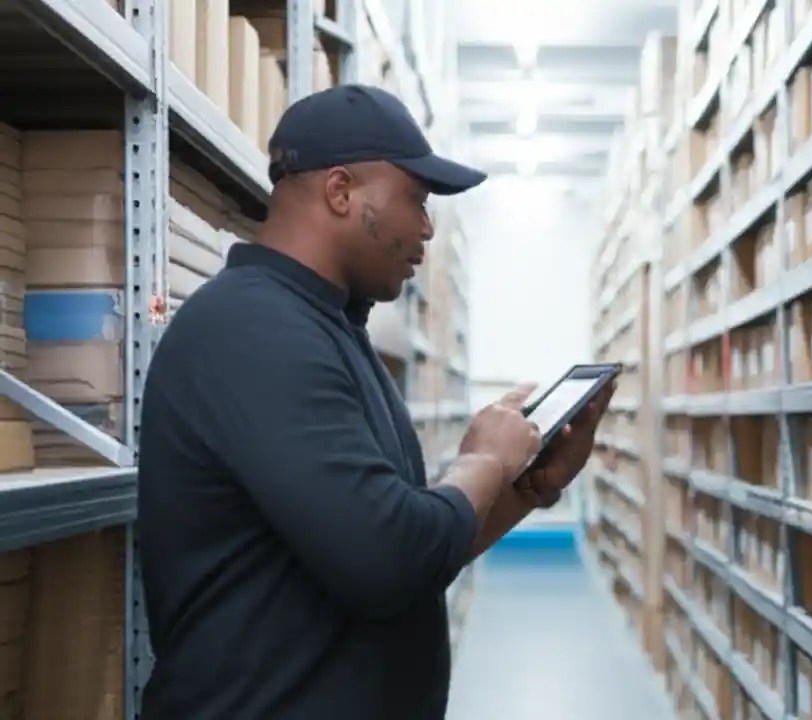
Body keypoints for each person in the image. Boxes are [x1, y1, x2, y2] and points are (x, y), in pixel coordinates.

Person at [135, 84, 612, 720]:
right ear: (340, 192)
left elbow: (411, 555)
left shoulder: (329, 330)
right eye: (415, 198)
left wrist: (527, 488)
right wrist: (485, 463)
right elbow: (387, 557)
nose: (428, 226)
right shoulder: (254, 331)